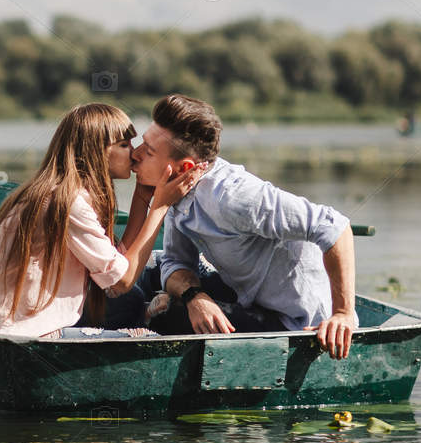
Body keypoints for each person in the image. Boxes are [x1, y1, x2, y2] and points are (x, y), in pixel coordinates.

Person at [133, 94, 360, 359]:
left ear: (184, 168)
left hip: (296, 321)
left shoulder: (235, 197)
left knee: (168, 313)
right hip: (248, 297)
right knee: (151, 271)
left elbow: (334, 227)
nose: (135, 156)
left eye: (148, 151)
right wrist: (196, 297)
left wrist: (342, 314)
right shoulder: (176, 190)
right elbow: (174, 262)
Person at [0, 102, 200, 339]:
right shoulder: (68, 203)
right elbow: (121, 280)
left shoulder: (55, 190)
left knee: (131, 300)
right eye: (125, 144)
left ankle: (144, 314)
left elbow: (116, 275)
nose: (135, 154)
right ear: (98, 151)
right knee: (147, 337)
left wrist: (141, 198)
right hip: (19, 333)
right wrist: (160, 206)